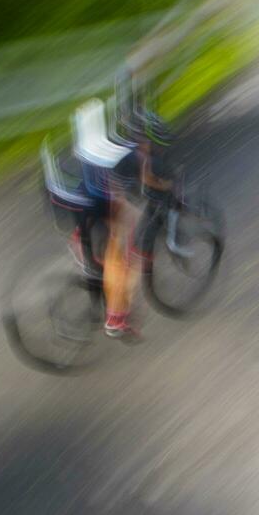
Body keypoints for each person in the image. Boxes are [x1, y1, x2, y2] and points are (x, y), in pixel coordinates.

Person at [70, 95, 174, 340]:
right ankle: (115, 319)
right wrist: (166, 185)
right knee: (123, 257)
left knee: (125, 213)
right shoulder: (128, 153)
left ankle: (83, 248)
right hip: (100, 205)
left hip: (81, 202)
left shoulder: (87, 147)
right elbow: (148, 180)